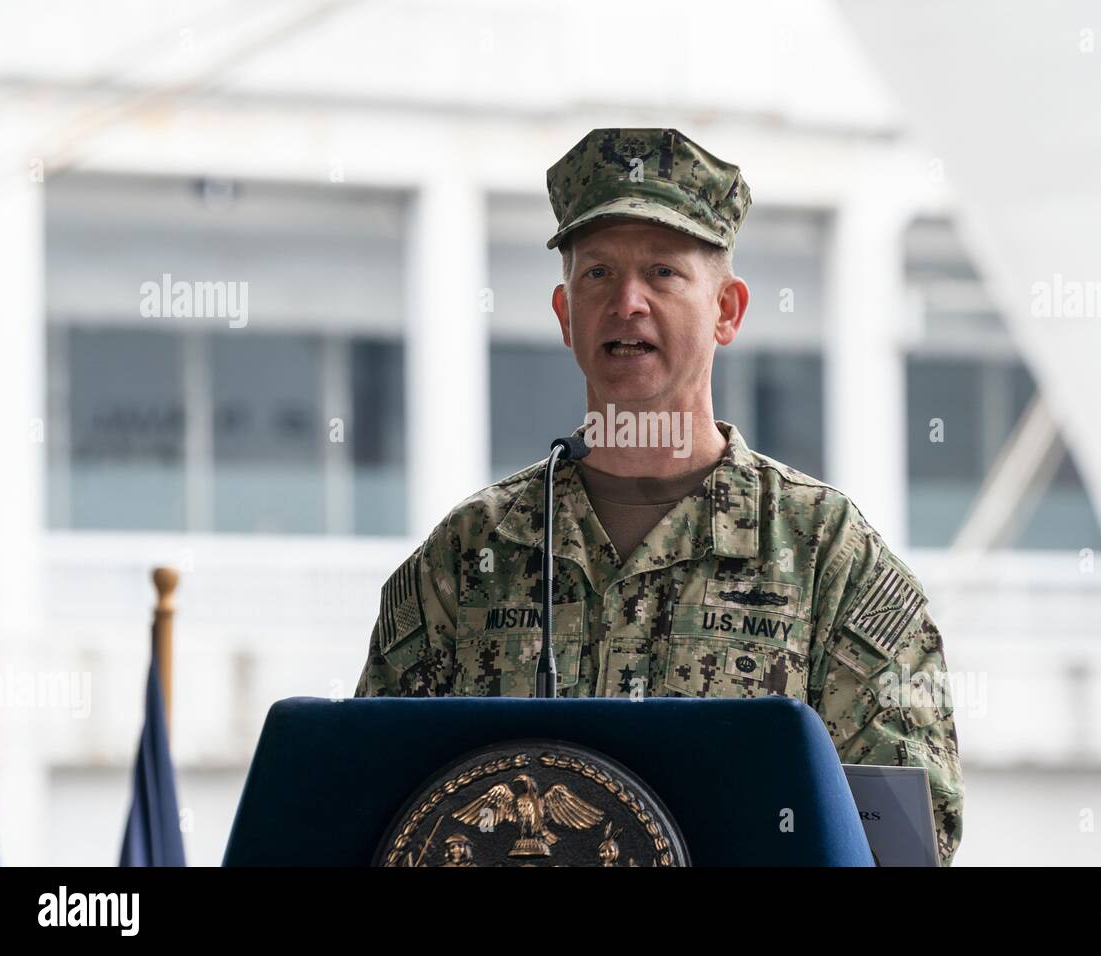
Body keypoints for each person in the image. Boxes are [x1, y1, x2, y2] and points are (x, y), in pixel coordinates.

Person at [354, 128, 964, 865]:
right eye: (599, 274)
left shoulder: (827, 556)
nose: (628, 302)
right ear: (563, 313)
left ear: (728, 311)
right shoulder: (470, 553)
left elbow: (907, 836)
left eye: (665, 273)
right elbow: (375, 809)